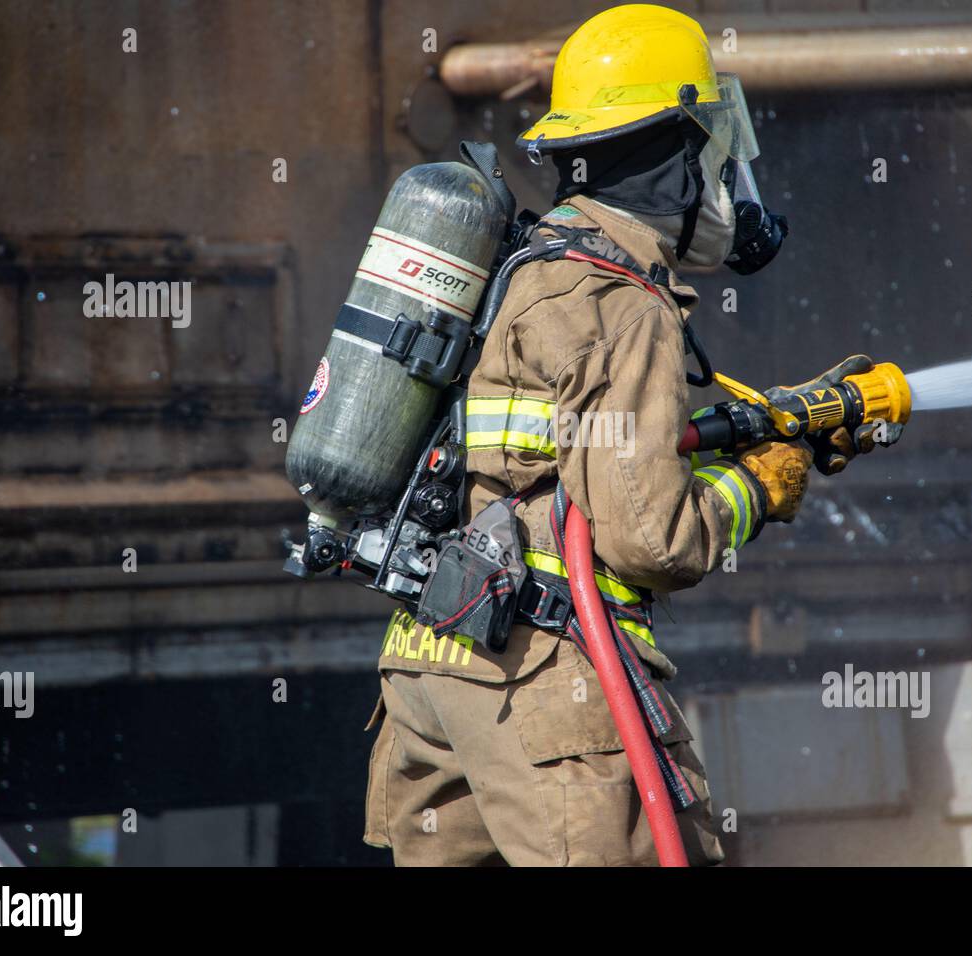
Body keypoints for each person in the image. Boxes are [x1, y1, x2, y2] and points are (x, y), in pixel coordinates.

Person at [364, 2, 900, 866]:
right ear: (678, 155)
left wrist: (777, 421)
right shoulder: (621, 300)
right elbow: (651, 538)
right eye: (710, 143)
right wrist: (759, 486)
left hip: (432, 666)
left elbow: (562, 455)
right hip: (539, 671)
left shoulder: (532, 262)